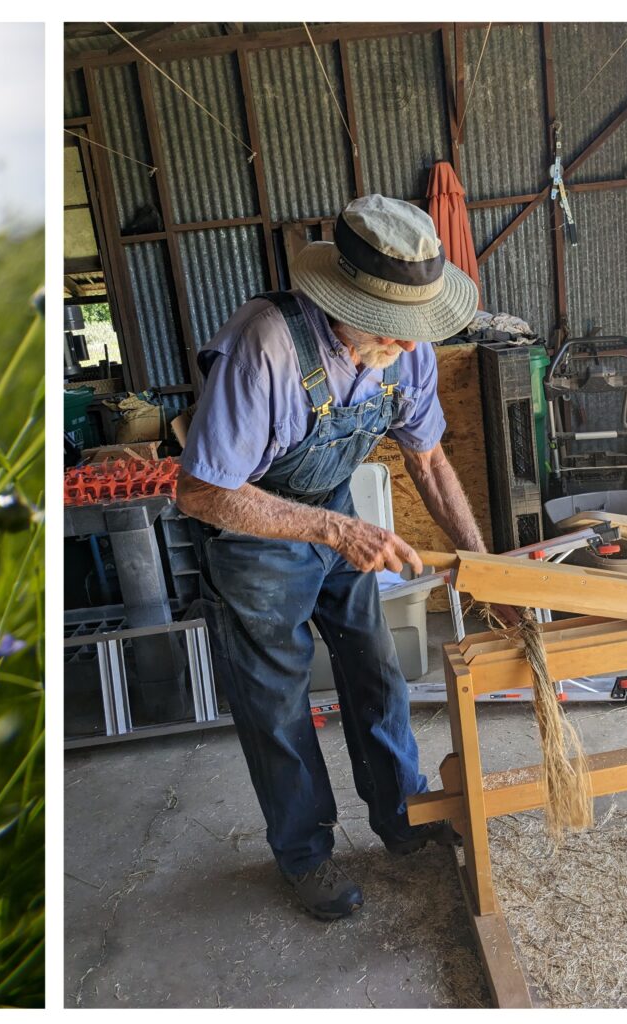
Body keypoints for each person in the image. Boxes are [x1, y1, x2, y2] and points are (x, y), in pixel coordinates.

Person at [175, 194, 494, 920]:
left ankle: (401, 813)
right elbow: (199, 491)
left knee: (377, 669)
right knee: (279, 703)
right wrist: (335, 533)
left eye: (418, 330)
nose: (411, 348)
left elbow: (432, 462)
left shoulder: (403, 354)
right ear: (341, 301)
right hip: (254, 534)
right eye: (394, 330)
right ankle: (306, 854)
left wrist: (484, 569)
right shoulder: (266, 347)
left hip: (332, 519)